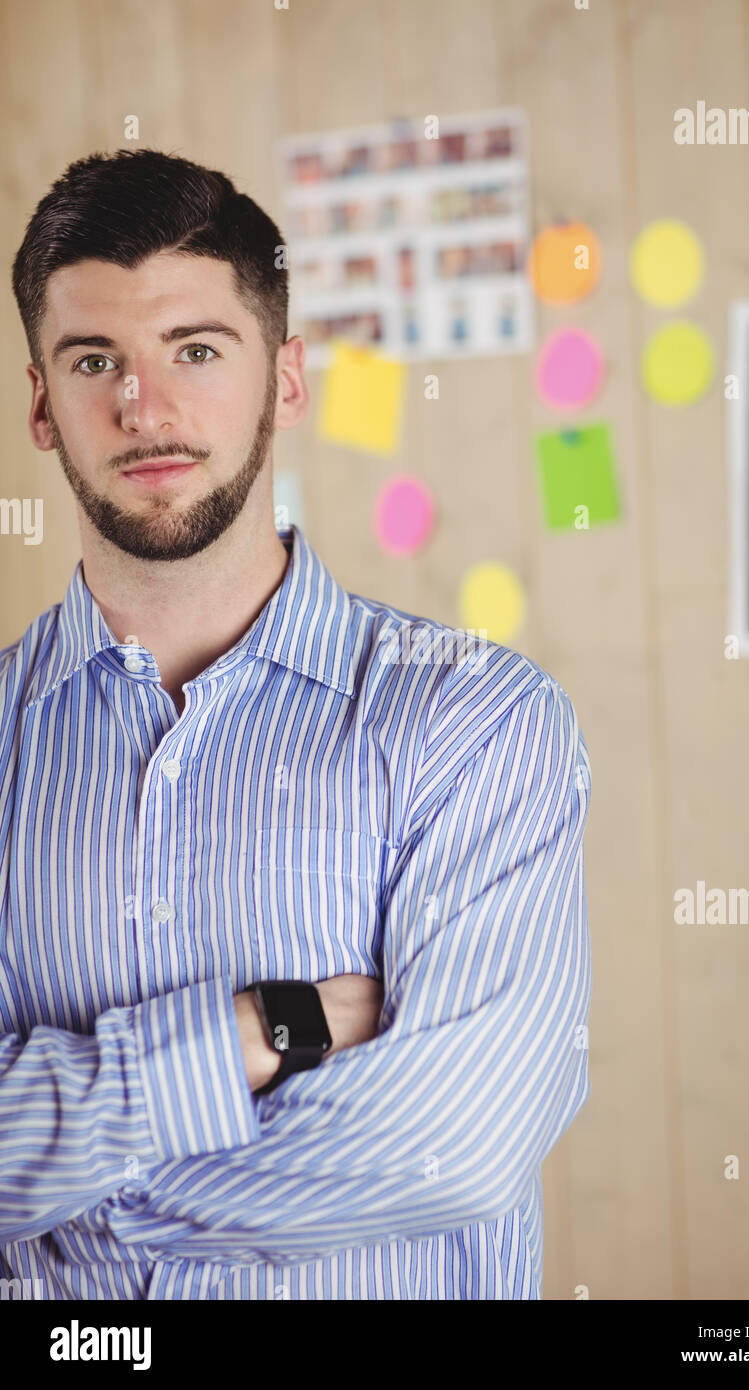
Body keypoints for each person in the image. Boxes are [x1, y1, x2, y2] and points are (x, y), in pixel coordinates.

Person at [0, 148, 591, 1299]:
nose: (143, 404)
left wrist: (83, 1215)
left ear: (285, 377)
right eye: (93, 359)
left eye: (195, 351)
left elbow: (455, 1145)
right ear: (39, 401)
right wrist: (247, 1038)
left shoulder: (473, 720)